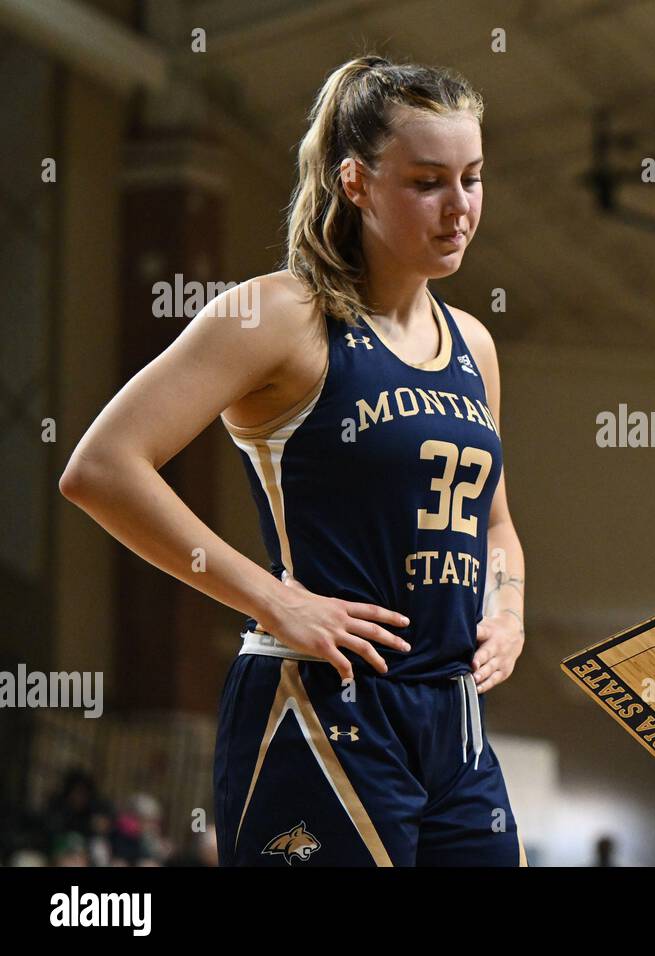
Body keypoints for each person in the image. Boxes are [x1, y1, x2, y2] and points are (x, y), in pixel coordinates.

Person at [60, 55, 527, 866]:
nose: (461, 209)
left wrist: (511, 610)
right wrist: (275, 599)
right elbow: (102, 467)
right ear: (355, 182)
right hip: (318, 700)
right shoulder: (278, 314)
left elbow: (495, 523)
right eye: (427, 183)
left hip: (452, 717)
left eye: (473, 177)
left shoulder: (473, 346)